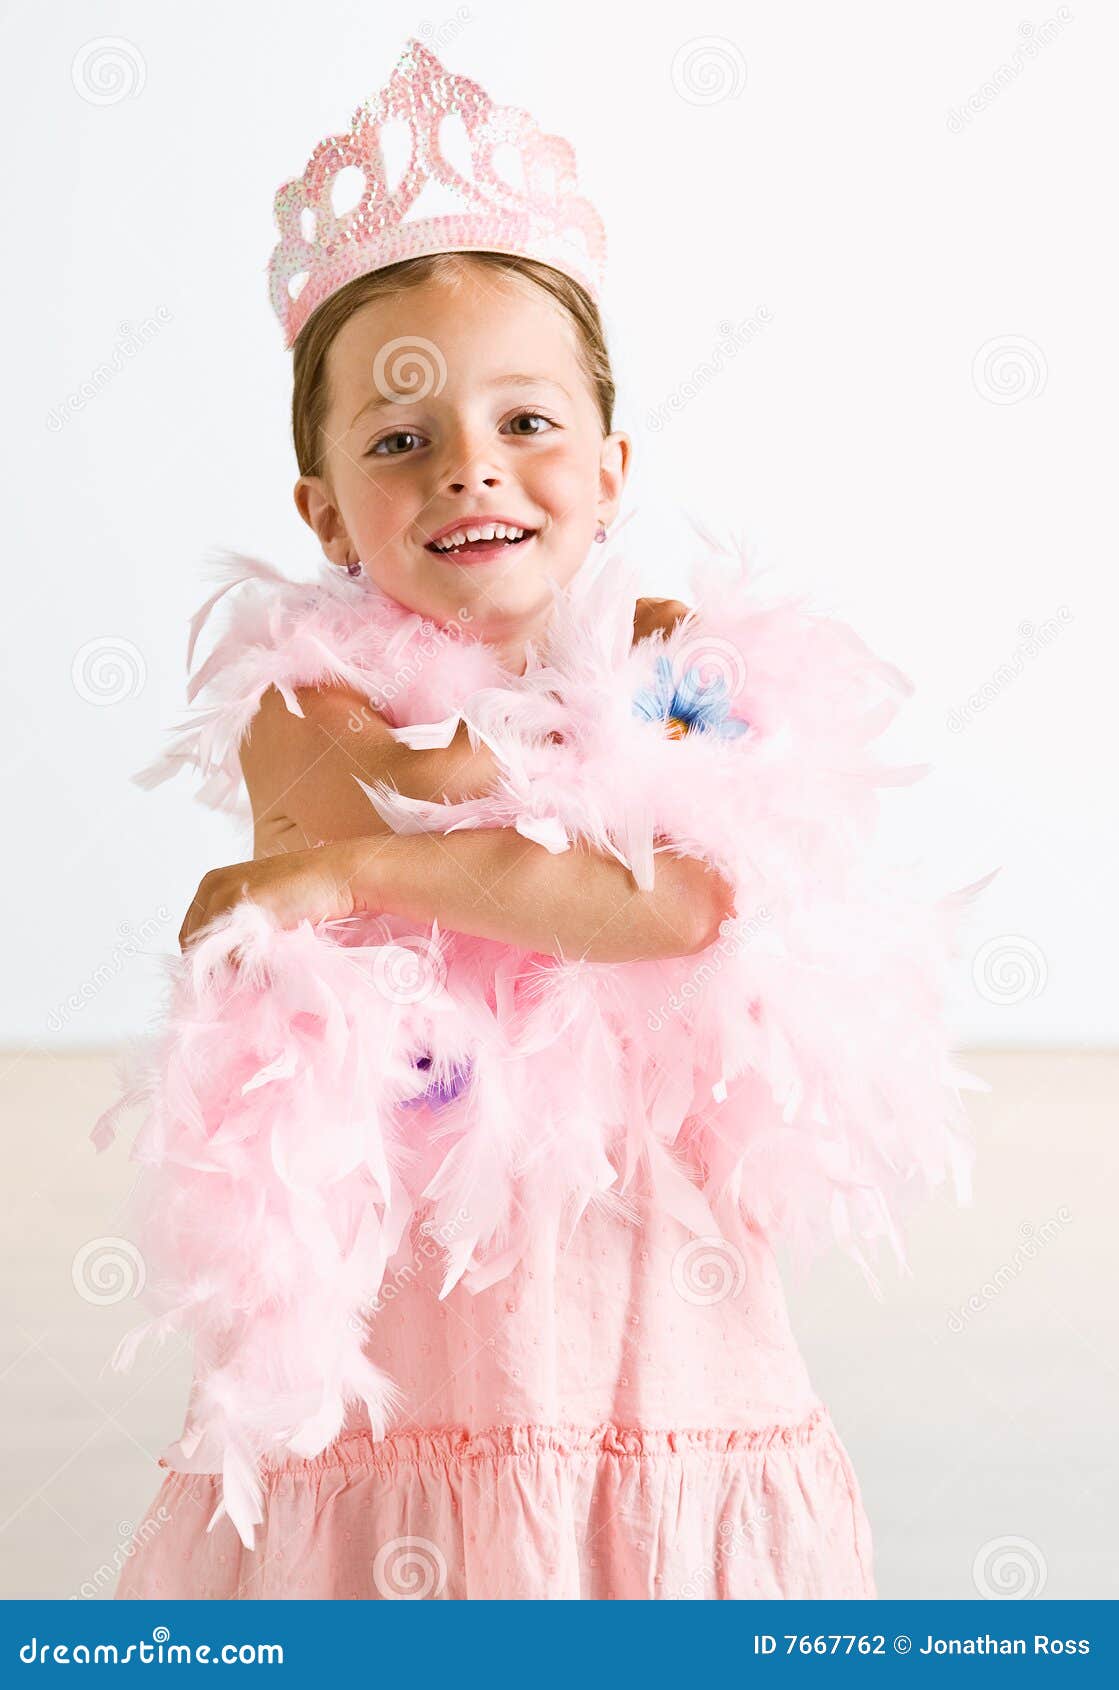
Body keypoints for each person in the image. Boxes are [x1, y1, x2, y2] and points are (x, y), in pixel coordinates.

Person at [97, 37, 991, 1600]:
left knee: (642, 1530)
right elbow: (436, 812)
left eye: (526, 424)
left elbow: (686, 900)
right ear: (324, 510)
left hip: (636, 1235)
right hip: (417, 1252)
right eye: (401, 440)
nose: (471, 471)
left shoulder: (672, 668)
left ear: (610, 468)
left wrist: (354, 870)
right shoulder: (310, 706)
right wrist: (421, 824)